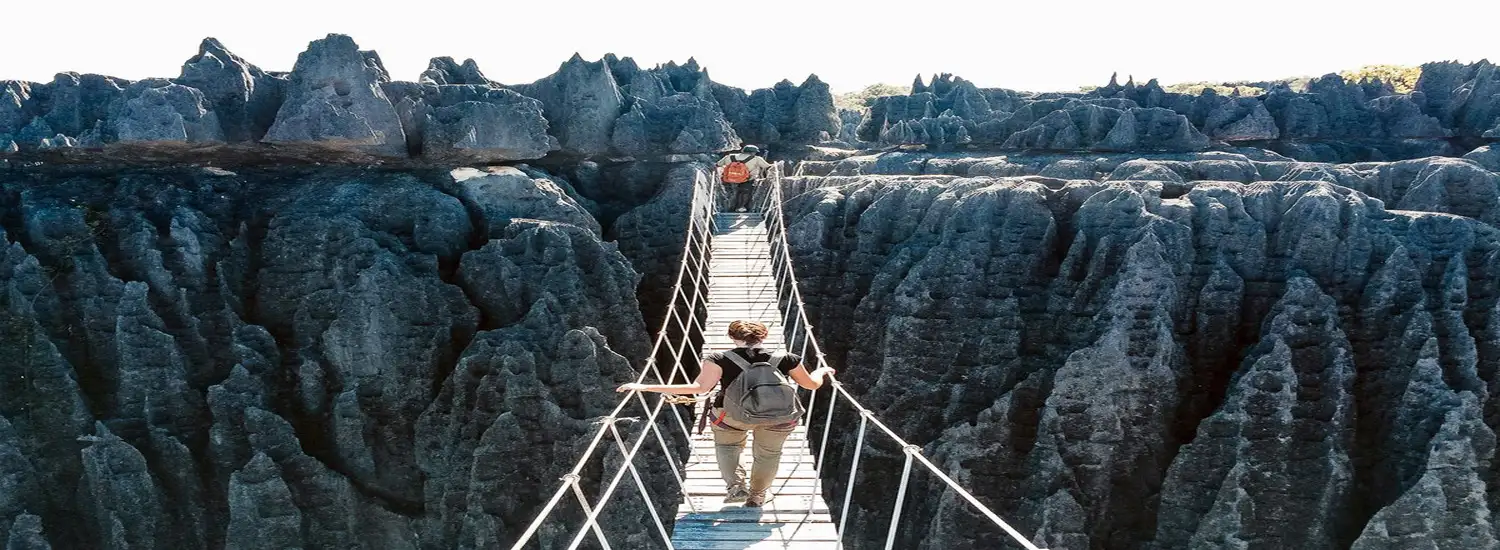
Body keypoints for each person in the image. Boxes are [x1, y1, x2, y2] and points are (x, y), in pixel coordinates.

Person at [617, 320, 835, 507]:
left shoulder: (718, 359)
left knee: (727, 446)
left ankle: (736, 487)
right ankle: (758, 496)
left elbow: (699, 389)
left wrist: (645, 386)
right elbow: (811, 385)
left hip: (732, 415)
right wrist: (822, 371)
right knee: (769, 454)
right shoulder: (787, 358)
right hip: (779, 416)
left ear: (731, 337)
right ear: (765, 336)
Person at [716, 145, 773, 213]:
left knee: (730, 193)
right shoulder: (756, 158)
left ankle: (727, 208)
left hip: (729, 179)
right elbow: (767, 166)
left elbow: (718, 164)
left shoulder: (729, 156)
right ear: (753, 152)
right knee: (745, 192)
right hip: (747, 179)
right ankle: (741, 207)